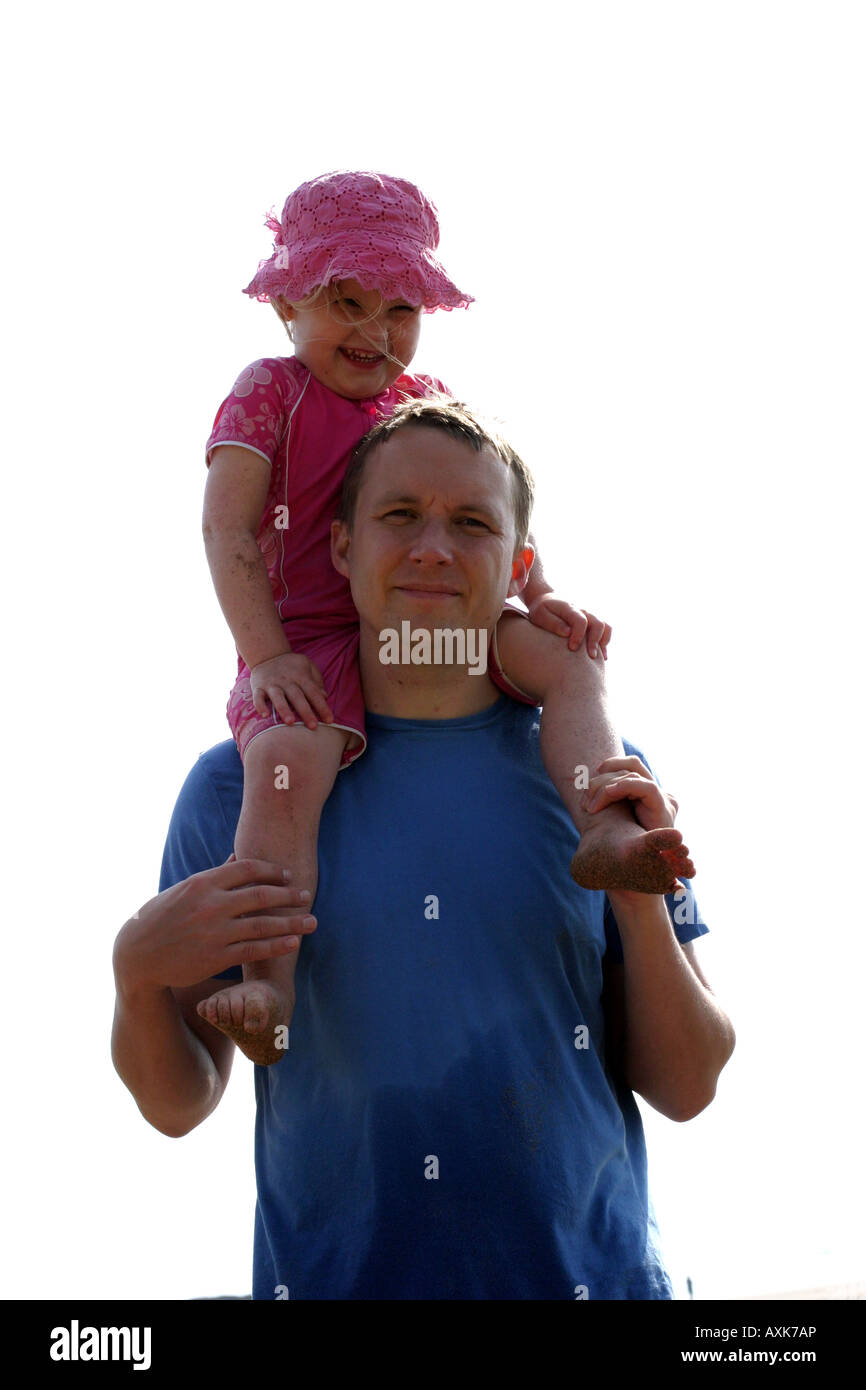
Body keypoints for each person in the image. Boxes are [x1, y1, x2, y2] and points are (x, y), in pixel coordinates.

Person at [112, 398, 735, 1300]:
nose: (433, 548)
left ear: (521, 565)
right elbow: (180, 1104)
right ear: (339, 548)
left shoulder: (598, 779)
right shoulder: (241, 787)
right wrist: (136, 980)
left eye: (473, 523)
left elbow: (689, 1086)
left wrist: (637, 904)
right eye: (400, 515)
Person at [201, 169, 688, 1066]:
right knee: (285, 762)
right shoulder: (270, 391)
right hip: (306, 644)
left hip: (432, 627)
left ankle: (606, 825)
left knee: (568, 659)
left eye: (400, 309)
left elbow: (489, 509)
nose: (375, 331)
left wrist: (539, 597)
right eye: (347, 300)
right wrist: (264, 655)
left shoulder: (424, 402)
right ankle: (268, 978)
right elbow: (228, 527)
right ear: (285, 308)